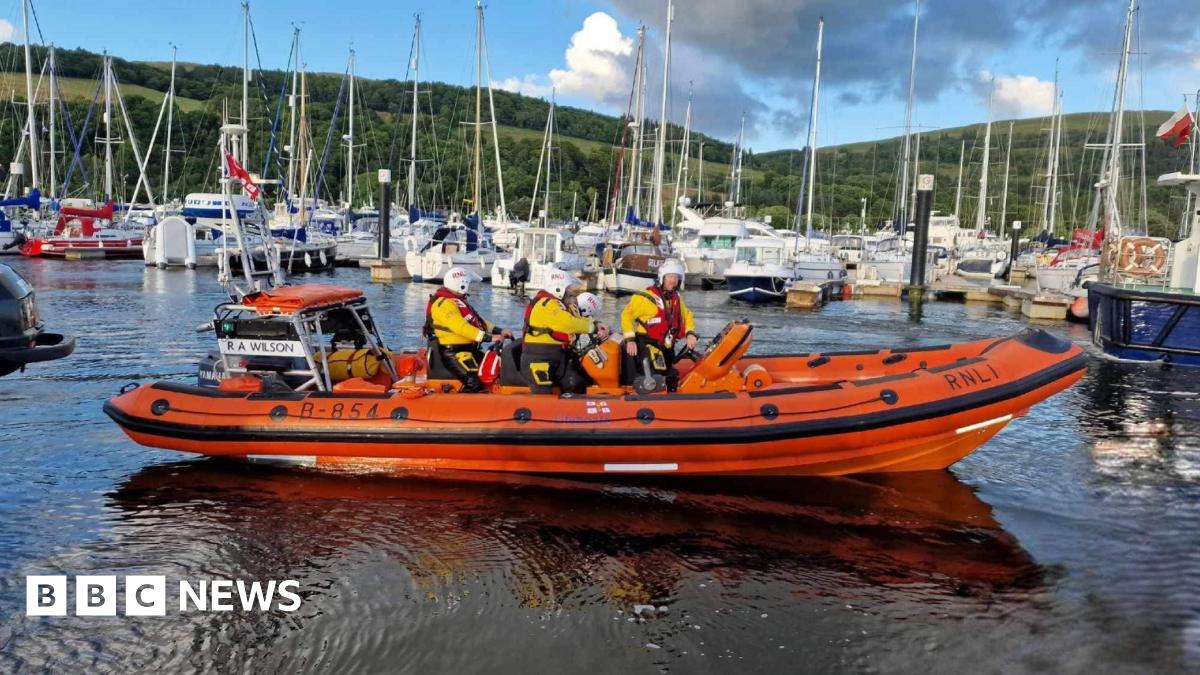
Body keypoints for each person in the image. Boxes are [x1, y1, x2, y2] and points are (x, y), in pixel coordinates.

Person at [423, 266, 510, 392]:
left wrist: (499, 331)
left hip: (469, 350)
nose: (471, 289)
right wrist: (489, 338)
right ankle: (458, 406)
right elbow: (461, 327)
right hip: (453, 353)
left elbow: (478, 322)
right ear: (461, 285)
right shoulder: (444, 304)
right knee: (474, 383)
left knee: (495, 373)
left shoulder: (457, 301)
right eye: (469, 284)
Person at [522, 270, 608, 394]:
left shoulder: (559, 305)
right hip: (539, 360)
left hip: (558, 358)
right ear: (558, 288)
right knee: (543, 392)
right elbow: (568, 323)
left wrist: (596, 324)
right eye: (568, 290)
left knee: (576, 383)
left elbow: (575, 319)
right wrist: (592, 327)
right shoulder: (546, 305)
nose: (571, 293)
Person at [620, 258, 697, 392]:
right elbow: (626, 315)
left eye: (676, 277)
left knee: (671, 377)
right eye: (670, 277)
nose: (673, 281)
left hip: (666, 348)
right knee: (656, 378)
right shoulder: (645, 298)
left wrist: (690, 334)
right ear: (662, 278)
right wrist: (630, 340)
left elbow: (687, 316)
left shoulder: (676, 298)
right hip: (648, 345)